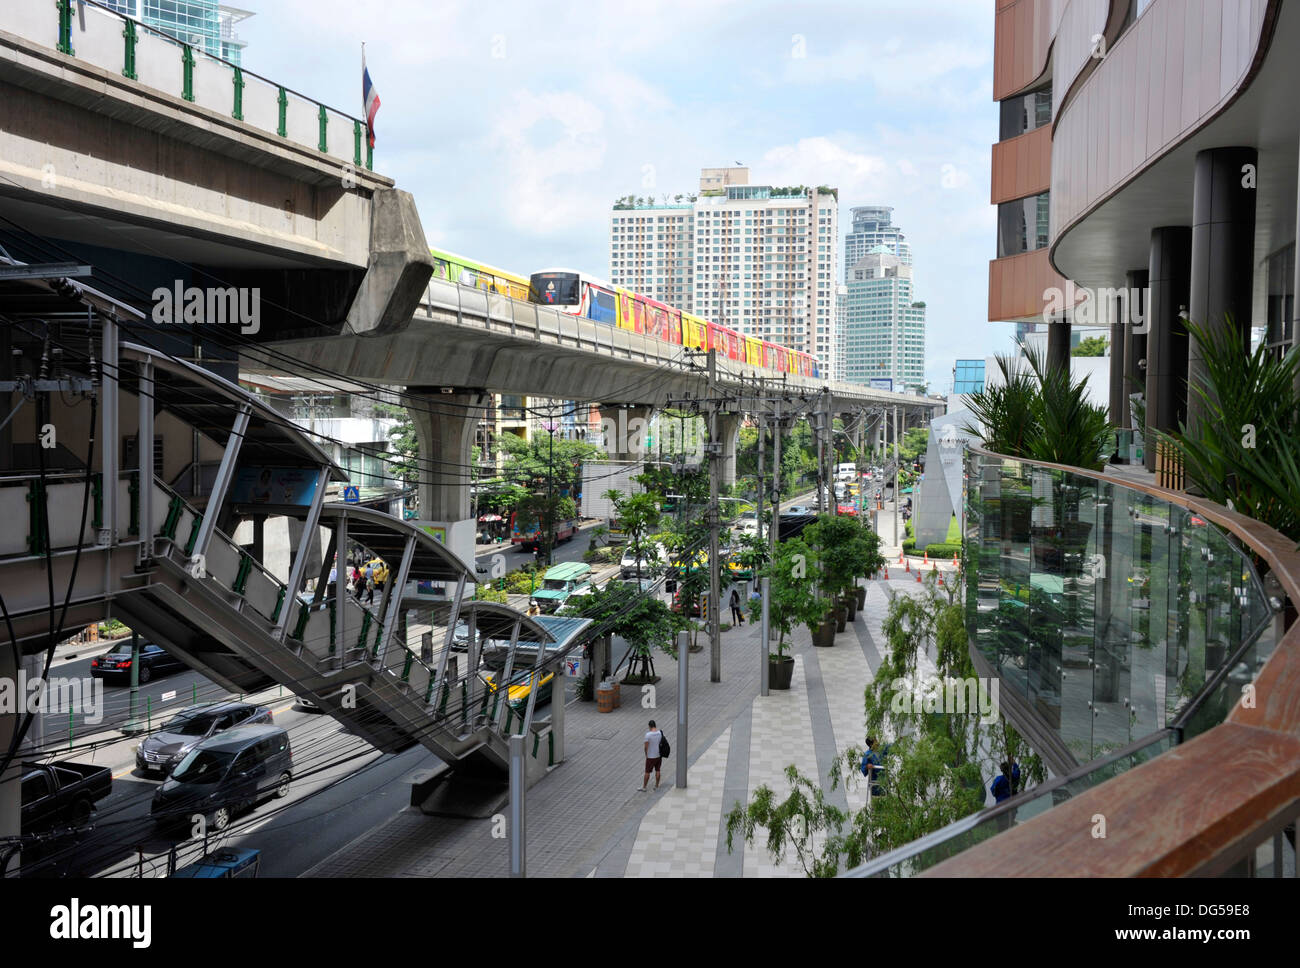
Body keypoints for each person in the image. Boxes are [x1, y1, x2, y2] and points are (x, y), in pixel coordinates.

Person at [640, 719, 664, 791]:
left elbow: (646, 747)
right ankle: (656, 785)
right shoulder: (660, 733)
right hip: (658, 755)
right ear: (655, 725)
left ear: (649, 726)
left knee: (647, 772)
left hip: (650, 756)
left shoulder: (648, 735)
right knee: (658, 770)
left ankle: (644, 787)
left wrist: (646, 754)